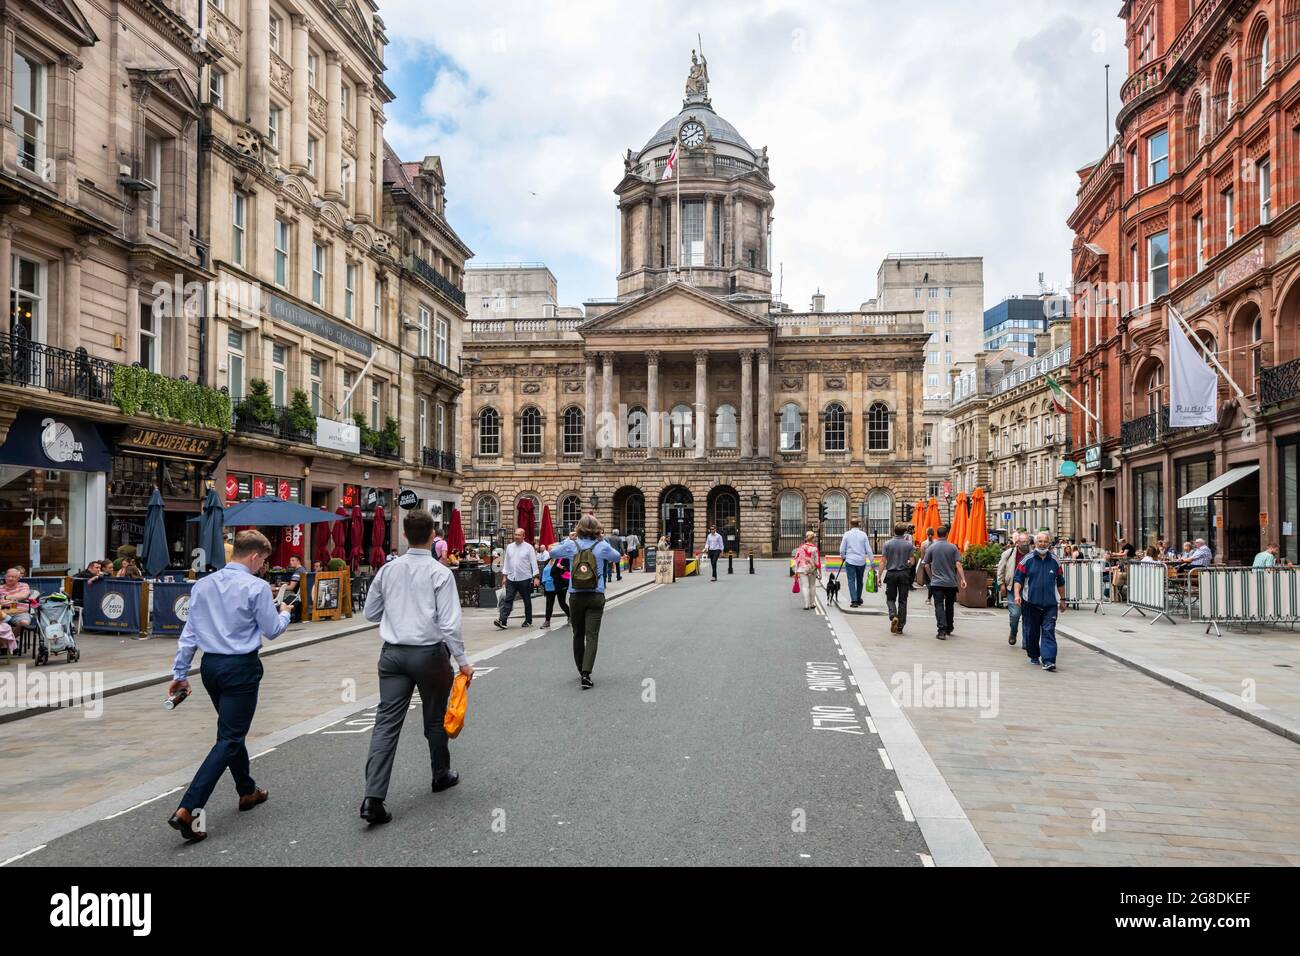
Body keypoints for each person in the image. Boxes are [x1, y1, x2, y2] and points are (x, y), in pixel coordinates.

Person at [166, 530, 291, 843]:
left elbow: (190, 633)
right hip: (241, 668)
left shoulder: (203, 585)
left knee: (230, 732)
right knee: (231, 737)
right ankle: (188, 807)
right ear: (253, 556)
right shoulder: (257, 586)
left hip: (210, 667)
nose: (263, 566)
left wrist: (180, 671)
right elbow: (272, 630)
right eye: (263, 560)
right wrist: (286, 613)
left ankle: (247, 791)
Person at [359, 509, 473, 825]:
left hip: (393, 655)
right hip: (429, 655)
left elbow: (370, 613)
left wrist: (398, 618)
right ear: (433, 534)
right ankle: (440, 774)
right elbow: (450, 625)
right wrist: (463, 662)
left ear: (406, 535)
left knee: (386, 724)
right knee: (435, 719)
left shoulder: (388, 570)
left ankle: (373, 798)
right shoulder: (440, 573)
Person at [541, 515, 621, 688]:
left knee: (578, 634)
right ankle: (586, 673)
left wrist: (567, 539)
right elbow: (616, 557)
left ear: (578, 528)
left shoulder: (571, 545)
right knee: (592, 636)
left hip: (576, 595)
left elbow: (551, 551)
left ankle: (580, 669)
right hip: (595, 595)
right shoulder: (601, 546)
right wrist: (602, 541)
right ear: (596, 529)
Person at [1014, 531, 1067, 672]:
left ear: (1049, 544)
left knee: (1048, 631)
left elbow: (1060, 582)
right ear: (1035, 543)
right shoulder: (1027, 559)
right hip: (1031, 603)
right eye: (1040, 541)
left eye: (1045, 541)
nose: (1042, 544)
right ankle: (1033, 655)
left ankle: (1049, 660)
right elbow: (1018, 579)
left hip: (1050, 604)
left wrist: (1062, 599)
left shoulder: (1055, 561)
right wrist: (1017, 595)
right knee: (1032, 632)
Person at [922, 525, 966, 640]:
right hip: (951, 582)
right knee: (949, 605)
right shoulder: (953, 548)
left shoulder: (931, 547)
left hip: (936, 583)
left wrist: (931, 577)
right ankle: (949, 627)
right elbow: (958, 564)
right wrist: (963, 579)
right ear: (947, 534)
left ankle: (941, 630)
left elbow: (925, 564)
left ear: (937, 534)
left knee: (939, 605)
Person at [494, 527, 540, 630]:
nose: (516, 537)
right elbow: (506, 562)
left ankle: (528, 620)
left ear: (523, 536)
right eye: (515, 535)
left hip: (525, 578)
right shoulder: (509, 547)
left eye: (519, 535)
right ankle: (503, 620)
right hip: (512, 578)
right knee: (508, 599)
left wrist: (536, 577)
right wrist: (505, 576)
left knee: (527, 600)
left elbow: (534, 562)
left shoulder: (529, 548)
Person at [997, 532, 1032, 646]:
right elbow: (1001, 569)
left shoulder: (1033, 554)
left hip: (1029, 589)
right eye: (1023, 542)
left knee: (1028, 616)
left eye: (1027, 542)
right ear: (1017, 543)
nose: (1025, 544)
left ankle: (1026, 641)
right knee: (1015, 614)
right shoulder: (1009, 553)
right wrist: (1001, 584)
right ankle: (1013, 631)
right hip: (1012, 587)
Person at [882, 522, 916, 634]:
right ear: (904, 532)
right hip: (904, 574)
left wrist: (878, 576)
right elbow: (912, 561)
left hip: (891, 573)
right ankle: (900, 626)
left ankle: (893, 615)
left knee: (890, 598)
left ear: (894, 531)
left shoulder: (887, 544)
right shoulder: (908, 545)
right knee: (903, 600)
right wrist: (908, 563)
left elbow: (883, 561)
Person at [838, 517, 875, 608]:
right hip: (861, 561)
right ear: (858, 524)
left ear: (850, 524)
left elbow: (842, 549)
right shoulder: (863, 534)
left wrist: (843, 557)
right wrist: (872, 561)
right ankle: (858, 598)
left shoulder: (847, 534)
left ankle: (854, 600)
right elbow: (868, 549)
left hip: (850, 560)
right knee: (860, 580)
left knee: (851, 580)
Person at [0, 568, 32, 646]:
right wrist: (15, 599)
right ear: (5, 577)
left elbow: (23, 595)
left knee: (24, 623)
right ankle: (4, 644)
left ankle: (9, 642)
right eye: (8, 576)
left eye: (13, 577)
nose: (10, 578)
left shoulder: (24, 585)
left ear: (18, 578)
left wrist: (5, 598)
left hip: (20, 613)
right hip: (3, 613)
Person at [792, 531, 821, 611]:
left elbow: (796, 559)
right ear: (813, 539)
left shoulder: (801, 547)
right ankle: (812, 604)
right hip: (812, 569)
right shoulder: (815, 548)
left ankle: (806, 604)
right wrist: (820, 572)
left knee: (805, 586)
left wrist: (796, 571)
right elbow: (817, 562)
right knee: (812, 586)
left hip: (802, 569)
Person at [540, 552, 570, 628]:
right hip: (549, 586)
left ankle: (570, 616)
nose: (551, 553)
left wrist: (562, 567)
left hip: (559, 585)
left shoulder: (562, 559)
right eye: (550, 551)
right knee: (549, 603)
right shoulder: (548, 561)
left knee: (562, 603)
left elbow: (568, 570)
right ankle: (547, 621)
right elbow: (544, 572)